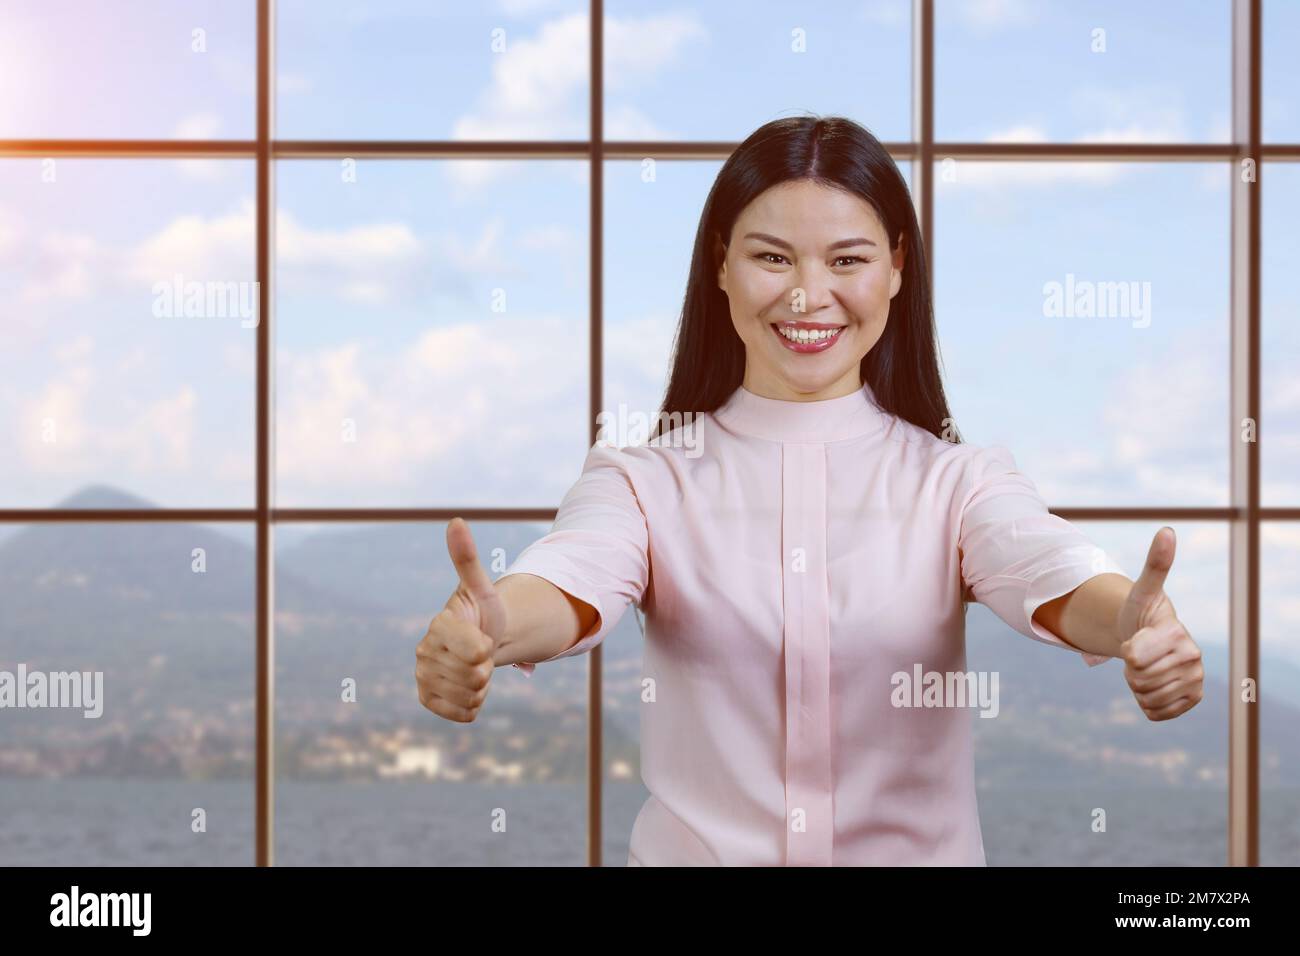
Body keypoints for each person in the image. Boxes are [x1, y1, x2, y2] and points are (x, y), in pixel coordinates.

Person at [415, 115, 1204, 866]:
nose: (806, 295)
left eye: (848, 260)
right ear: (720, 264)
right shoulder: (643, 480)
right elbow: (572, 575)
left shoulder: (958, 482)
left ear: (897, 267)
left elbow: (1042, 565)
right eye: (772, 258)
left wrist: (1130, 622)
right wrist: (496, 627)